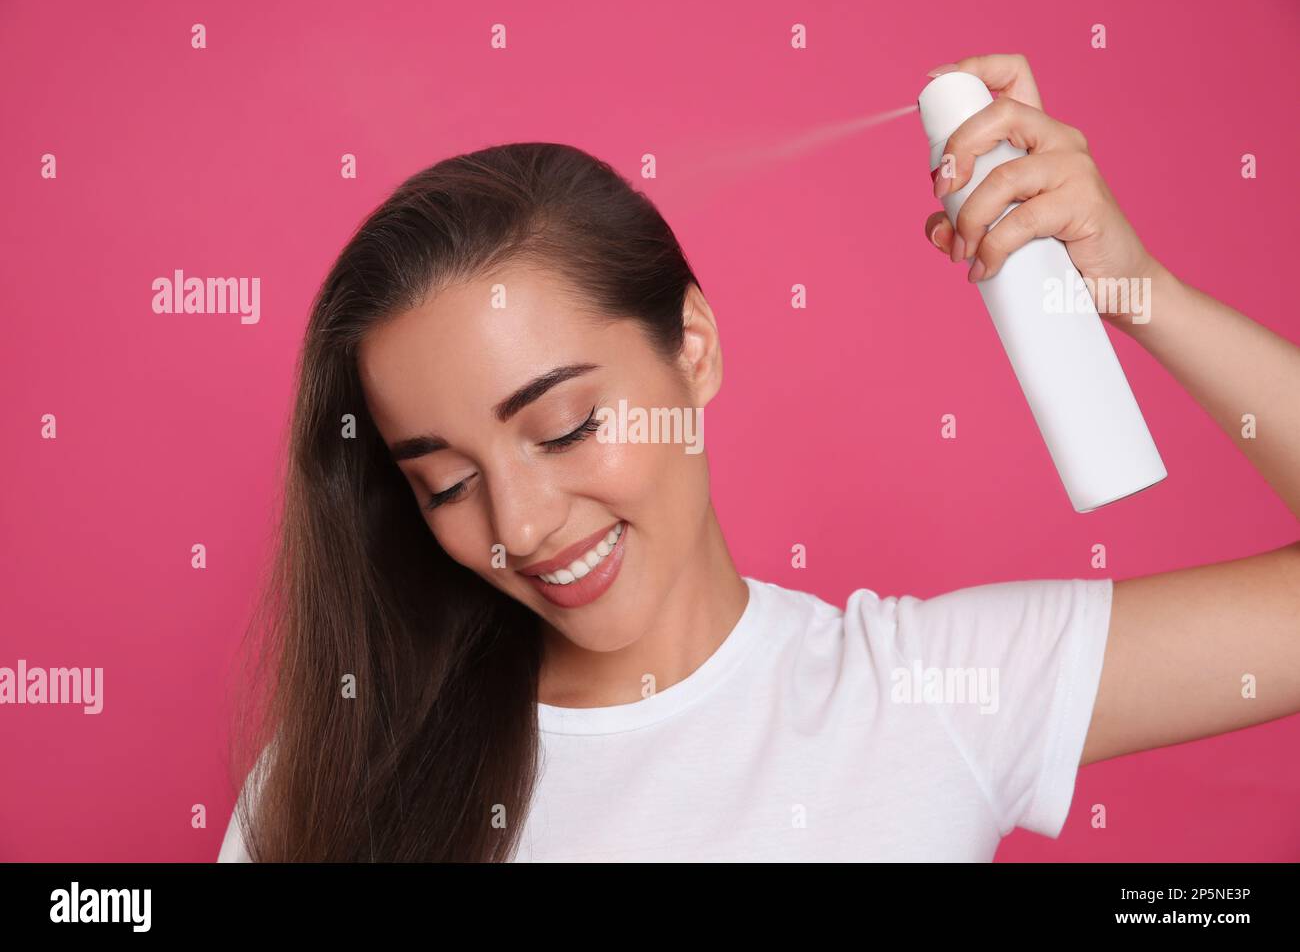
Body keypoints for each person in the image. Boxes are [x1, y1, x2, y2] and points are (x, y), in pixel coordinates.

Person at [218, 53, 1300, 862]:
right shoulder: (335, 779)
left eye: (565, 429)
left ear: (692, 348)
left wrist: (1136, 287)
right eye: (444, 483)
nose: (523, 522)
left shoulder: (927, 695)